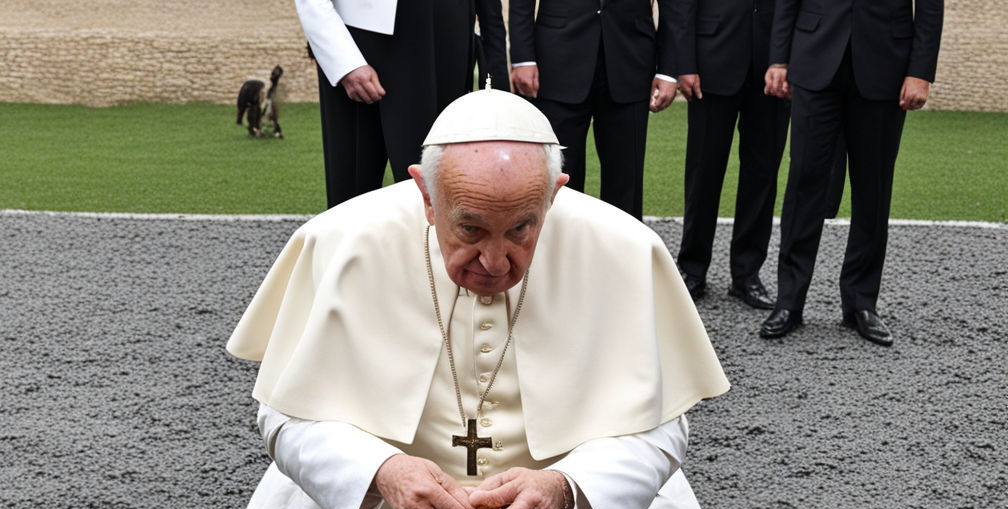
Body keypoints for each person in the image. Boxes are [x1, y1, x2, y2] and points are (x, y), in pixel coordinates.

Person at [208, 87, 751, 509]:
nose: (495, 262)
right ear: (424, 193)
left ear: (555, 194)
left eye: (523, 228)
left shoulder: (623, 249)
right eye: (469, 230)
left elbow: (663, 430)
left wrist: (564, 487)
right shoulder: (342, 244)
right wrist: (380, 471)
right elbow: (284, 413)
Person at [759, 0, 943, 346]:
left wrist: (920, 71)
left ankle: (861, 303)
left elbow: (931, 6)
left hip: (885, 62)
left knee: (873, 188)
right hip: (814, 57)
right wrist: (779, 58)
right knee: (803, 183)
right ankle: (789, 301)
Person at [296, 0, 508, 208]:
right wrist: (344, 61)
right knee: (352, 200)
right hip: (362, 41)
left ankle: (433, 244)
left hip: (448, 34)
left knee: (440, 194)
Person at [665, 0, 790, 309]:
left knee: (762, 174)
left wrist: (790, 60)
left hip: (773, 67)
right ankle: (692, 268)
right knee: (703, 170)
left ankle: (747, 273)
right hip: (711, 59)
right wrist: (684, 62)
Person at [506, 0, 675, 219]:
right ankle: (558, 251)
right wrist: (522, 58)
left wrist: (669, 69)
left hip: (631, 57)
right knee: (559, 179)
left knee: (626, 183)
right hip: (557, 60)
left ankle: (622, 253)